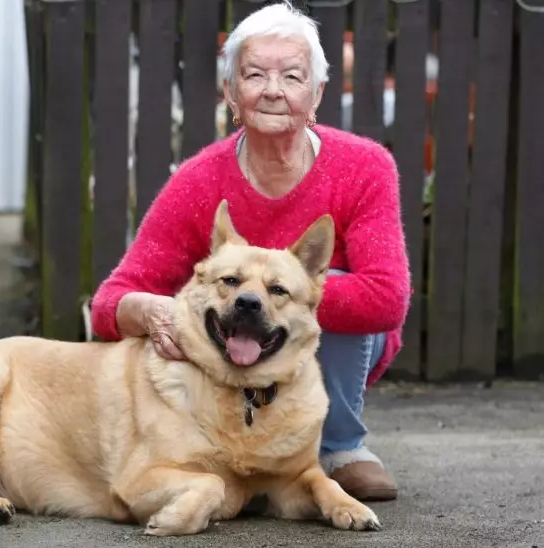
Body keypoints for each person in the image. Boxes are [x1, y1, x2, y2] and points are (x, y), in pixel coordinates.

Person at [90, 1, 411, 502]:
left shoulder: (366, 167)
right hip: (220, 364)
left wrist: (279, 295)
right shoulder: (199, 180)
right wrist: (151, 309)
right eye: (255, 74)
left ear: (317, 93)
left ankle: (339, 448)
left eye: (293, 76)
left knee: (333, 293)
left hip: (330, 351)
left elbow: (385, 298)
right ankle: (224, 453)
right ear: (231, 94)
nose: (273, 90)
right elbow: (111, 300)